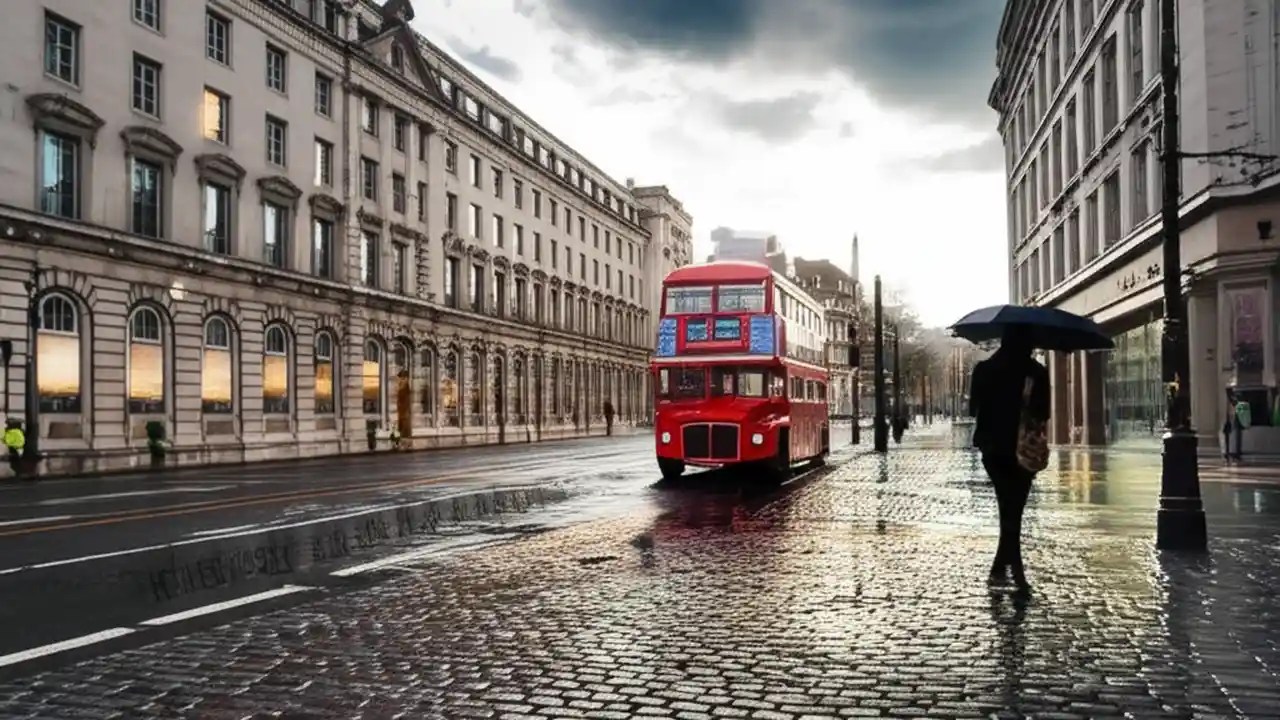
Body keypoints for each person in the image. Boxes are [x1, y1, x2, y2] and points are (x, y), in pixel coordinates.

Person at [969, 325, 1050, 594]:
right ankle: (1013, 570)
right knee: (1014, 507)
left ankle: (1002, 568)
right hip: (1023, 448)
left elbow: (973, 408)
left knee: (1008, 506)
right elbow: (1043, 413)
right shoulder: (1036, 372)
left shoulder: (984, 369)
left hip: (993, 449)